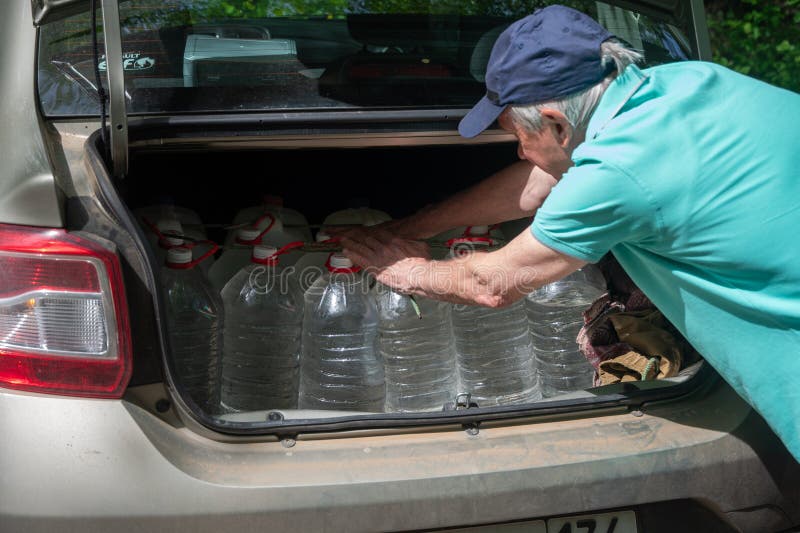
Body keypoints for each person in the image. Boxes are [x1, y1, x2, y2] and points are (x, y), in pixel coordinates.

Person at [336, 4, 800, 461]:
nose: (519, 152)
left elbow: (491, 285)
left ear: (557, 124)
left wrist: (399, 266)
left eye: (517, 135)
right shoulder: (687, 82)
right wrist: (410, 227)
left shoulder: (619, 170)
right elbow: (541, 180)